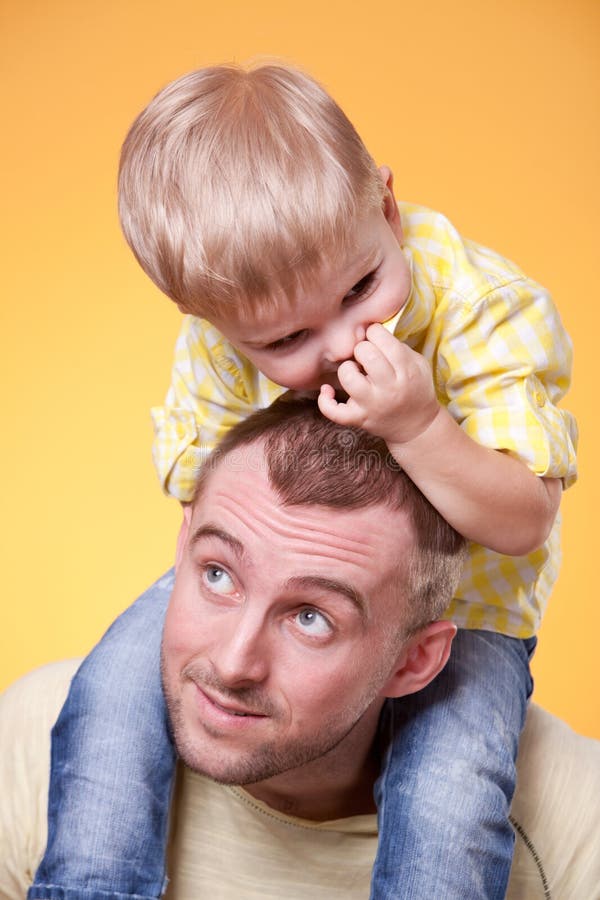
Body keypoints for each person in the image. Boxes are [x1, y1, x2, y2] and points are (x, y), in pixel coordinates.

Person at [30, 64, 578, 900]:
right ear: (215, 324)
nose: (340, 340)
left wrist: (420, 427)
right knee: (106, 696)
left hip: (470, 610)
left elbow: (522, 521)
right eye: (287, 338)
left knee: (450, 791)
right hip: (287, 588)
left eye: (363, 287)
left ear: (387, 206)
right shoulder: (221, 342)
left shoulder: (481, 307)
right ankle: (91, 885)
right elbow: (203, 490)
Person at [9, 398, 600, 900]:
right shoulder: (36, 739)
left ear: (414, 660)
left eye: (311, 618)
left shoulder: (575, 819)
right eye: (218, 575)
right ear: (183, 544)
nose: (234, 664)